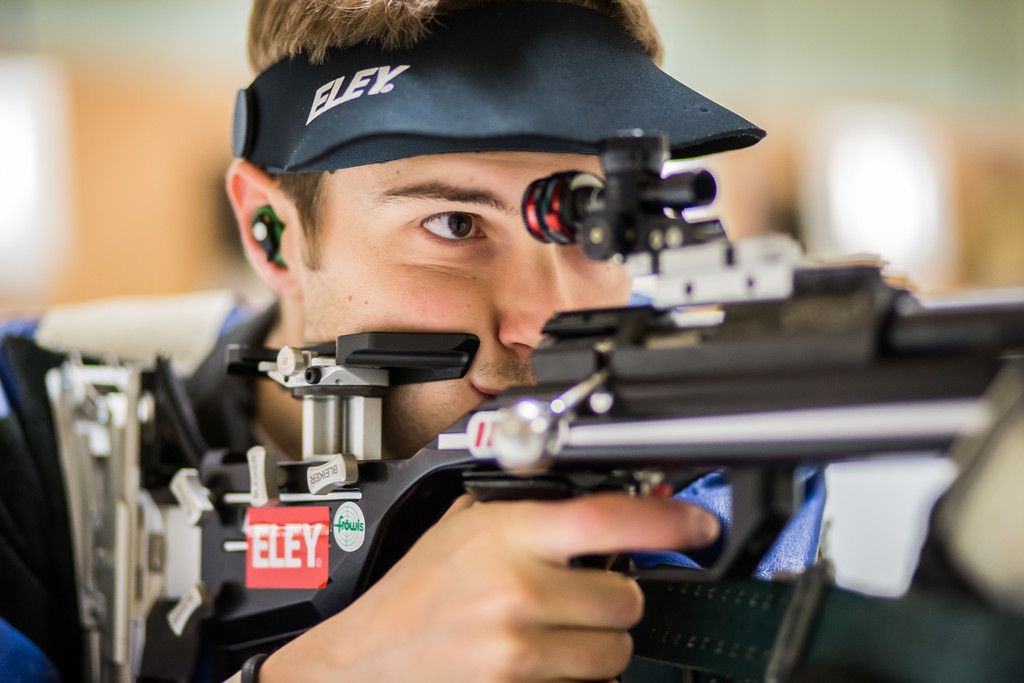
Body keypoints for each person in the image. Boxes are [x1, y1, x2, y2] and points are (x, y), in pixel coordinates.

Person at [0, 1, 824, 681]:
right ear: (271, 232)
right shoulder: (36, 431)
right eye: (456, 223)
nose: (542, 317)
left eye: (588, 220)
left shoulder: (717, 442)